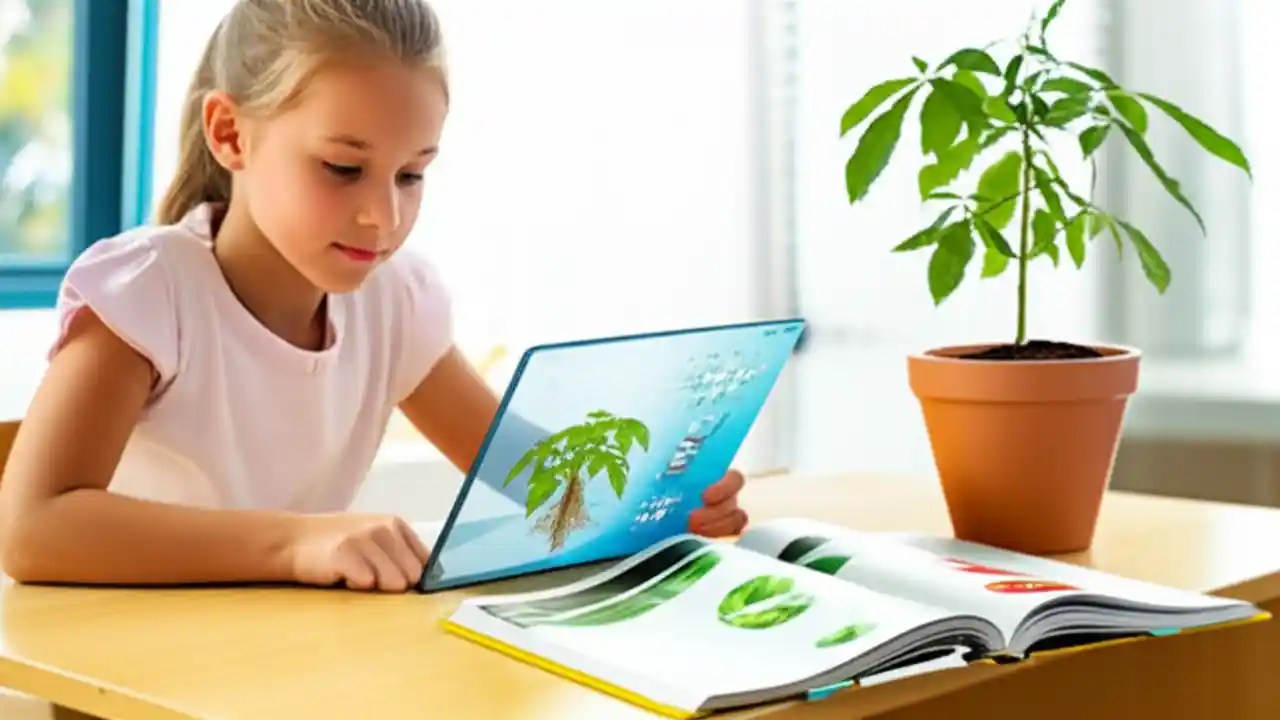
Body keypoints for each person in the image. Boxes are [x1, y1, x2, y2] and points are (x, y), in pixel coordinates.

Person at [0, 0, 748, 594]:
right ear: (231, 134)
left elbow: (539, 483)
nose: (383, 218)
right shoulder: (149, 294)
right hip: (132, 679)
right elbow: (31, 528)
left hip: (288, 669)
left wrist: (660, 505)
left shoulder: (392, 303)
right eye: (340, 168)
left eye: (411, 174)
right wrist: (297, 541)